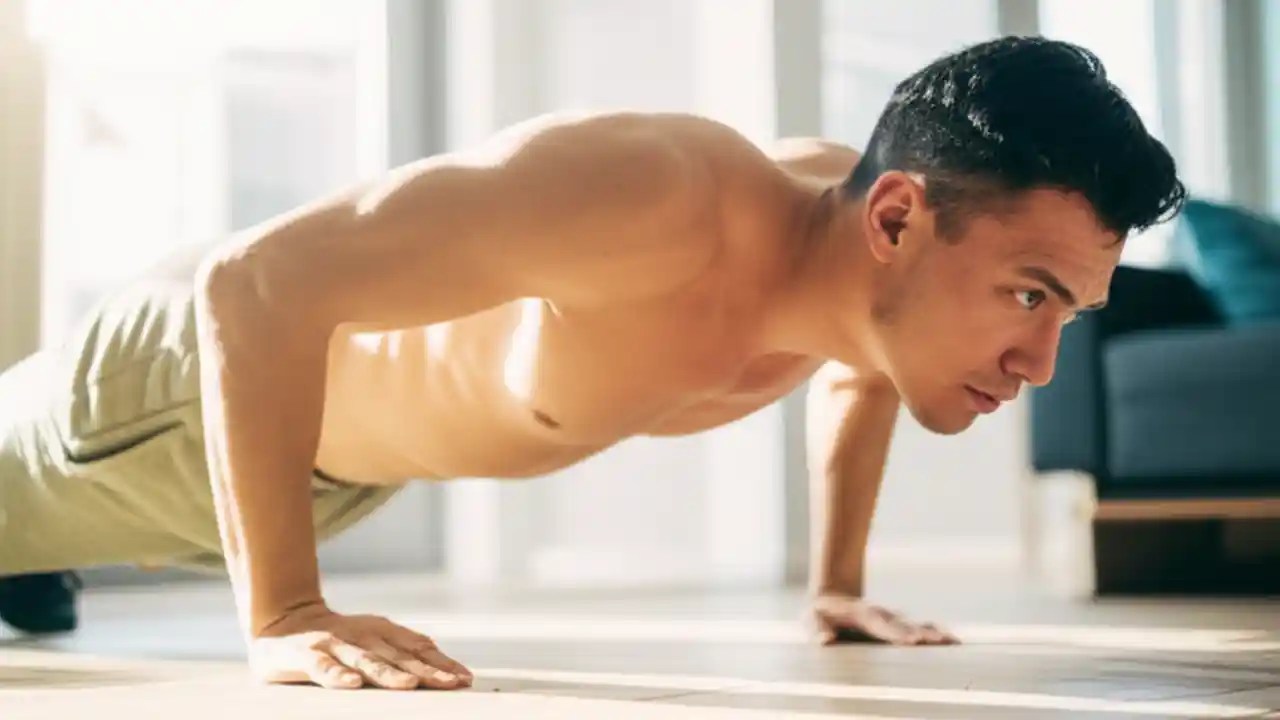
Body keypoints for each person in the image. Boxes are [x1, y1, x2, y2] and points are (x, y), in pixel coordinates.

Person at [0, 36, 1183, 690]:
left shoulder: (862, 254)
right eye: (1027, 296)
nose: (1036, 362)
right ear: (893, 221)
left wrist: (834, 581)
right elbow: (248, 285)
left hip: (319, 469)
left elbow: (859, 370)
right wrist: (284, 614)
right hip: (171, 398)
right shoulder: (657, 196)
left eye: (1066, 314)